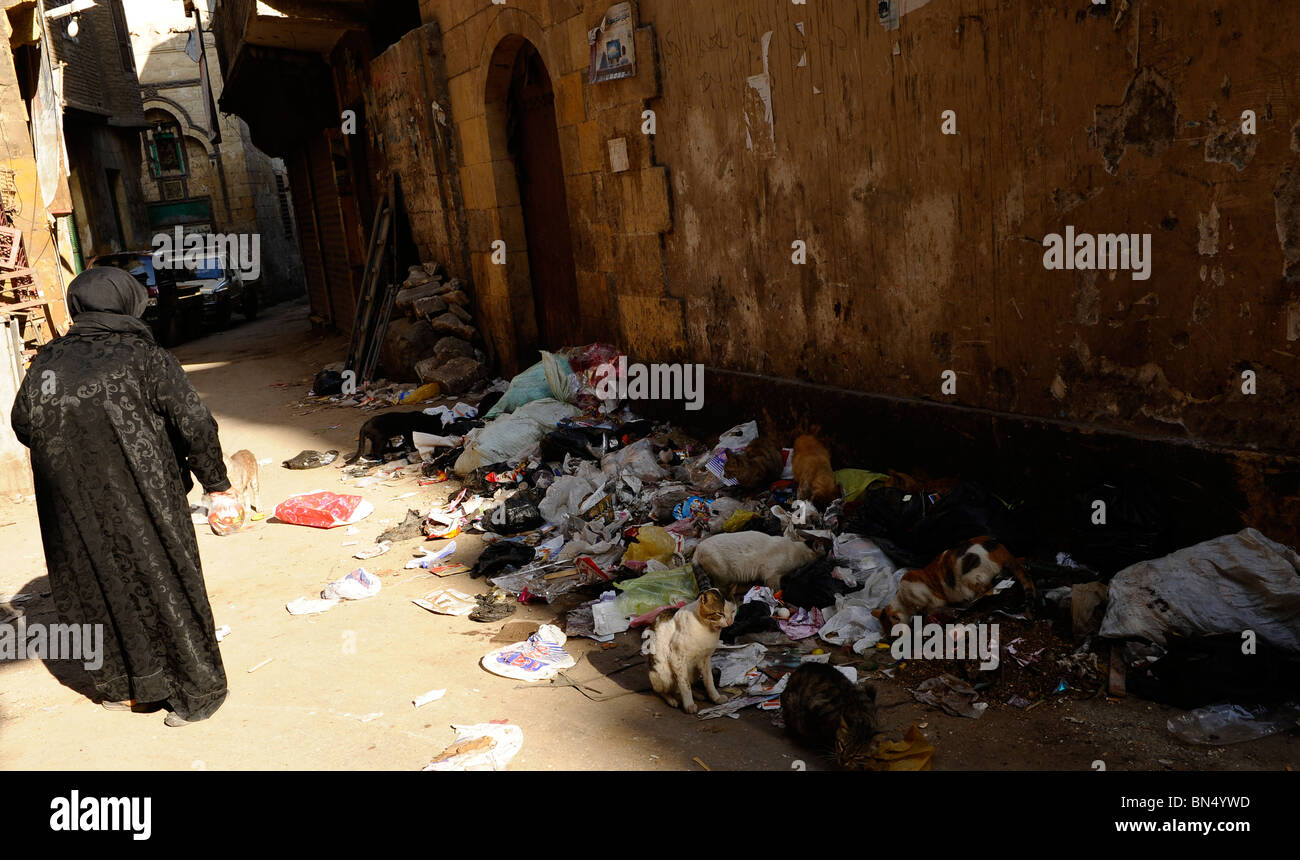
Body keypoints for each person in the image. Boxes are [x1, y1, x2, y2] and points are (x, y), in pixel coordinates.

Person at [10, 266, 233, 726]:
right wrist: (216, 483)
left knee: (95, 586)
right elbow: (193, 423)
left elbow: (24, 424)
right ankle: (196, 692)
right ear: (128, 302)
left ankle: (126, 688)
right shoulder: (144, 355)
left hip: (71, 504)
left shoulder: (47, 362)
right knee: (163, 580)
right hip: (144, 495)